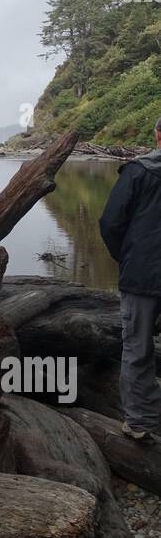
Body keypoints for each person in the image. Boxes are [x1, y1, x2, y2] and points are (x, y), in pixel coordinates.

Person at [99, 115, 161, 442]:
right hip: (141, 271)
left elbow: (110, 223)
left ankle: (139, 423)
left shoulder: (138, 171)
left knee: (137, 348)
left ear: (157, 136)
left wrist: (125, 258)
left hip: (141, 275)